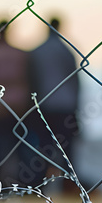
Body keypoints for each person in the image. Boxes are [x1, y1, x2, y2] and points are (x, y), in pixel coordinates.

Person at [0, 21, 36, 187]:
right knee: (19, 146)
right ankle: (23, 184)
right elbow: (31, 79)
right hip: (20, 103)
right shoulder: (21, 54)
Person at [30, 17, 81, 187]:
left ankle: (40, 186)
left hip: (43, 105)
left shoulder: (37, 51)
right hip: (65, 105)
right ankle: (69, 185)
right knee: (67, 147)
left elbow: (32, 80)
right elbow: (75, 81)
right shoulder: (66, 50)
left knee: (44, 147)